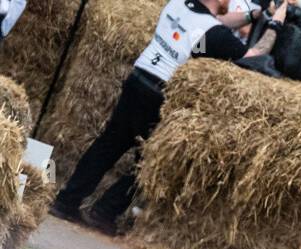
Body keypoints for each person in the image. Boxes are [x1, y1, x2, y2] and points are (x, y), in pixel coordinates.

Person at [50, 0, 288, 236]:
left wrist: (254, 15)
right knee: (149, 162)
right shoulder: (211, 32)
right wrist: (275, 25)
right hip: (158, 95)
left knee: (107, 145)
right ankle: (104, 213)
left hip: (138, 79)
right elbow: (254, 56)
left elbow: (213, 24)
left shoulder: (178, 6)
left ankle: (65, 202)